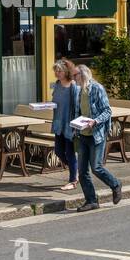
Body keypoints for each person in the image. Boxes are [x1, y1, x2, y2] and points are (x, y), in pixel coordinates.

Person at [71, 64, 122, 211]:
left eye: (76, 75)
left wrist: (95, 121)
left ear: (83, 75)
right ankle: (91, 201)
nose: (74, 79)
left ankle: (116, 184)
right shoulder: (78, 91)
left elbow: (107, 111)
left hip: (96, 135)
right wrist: (76, 125)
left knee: (96, 168)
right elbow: (78, 111)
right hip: (82, 134)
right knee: (82, 172)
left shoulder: (97, 88)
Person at [49, 59, 79, 191]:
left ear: (66, 71)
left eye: (59, 70)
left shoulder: (73, 86)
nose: (56, 73)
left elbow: (77, 106)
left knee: (70, 152)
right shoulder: (56, 84)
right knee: (58, 151)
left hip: (70, 124)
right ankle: (76, 170)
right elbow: (54, 101)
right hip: (58, 123)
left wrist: (76, 125)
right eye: (55, 70)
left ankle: (73, 180)